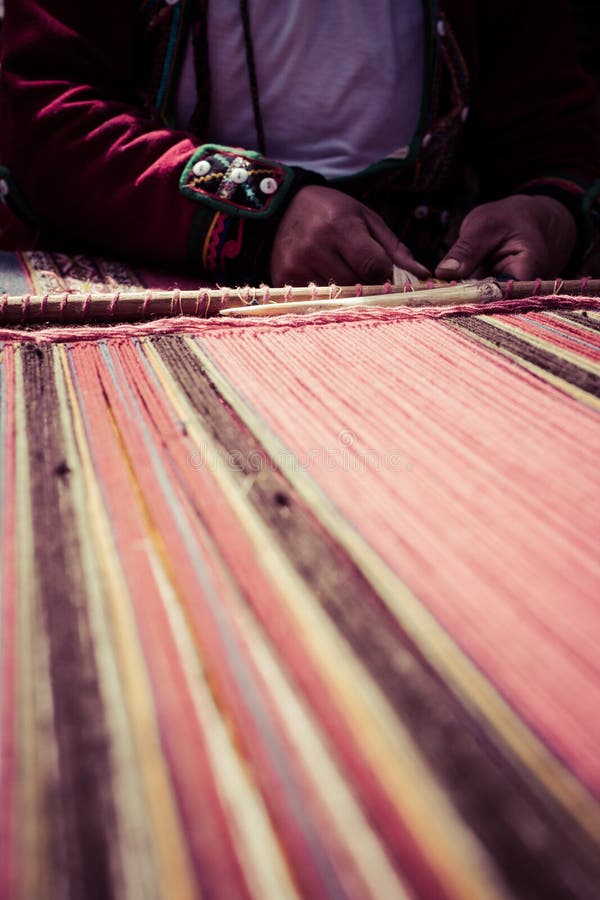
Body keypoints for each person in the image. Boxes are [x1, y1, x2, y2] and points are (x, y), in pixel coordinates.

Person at [0, 0, 598, 287]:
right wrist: (265, 214)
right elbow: (41, 110)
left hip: (422, 300)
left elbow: (556, 133)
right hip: (145, 289)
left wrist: (551, 209)